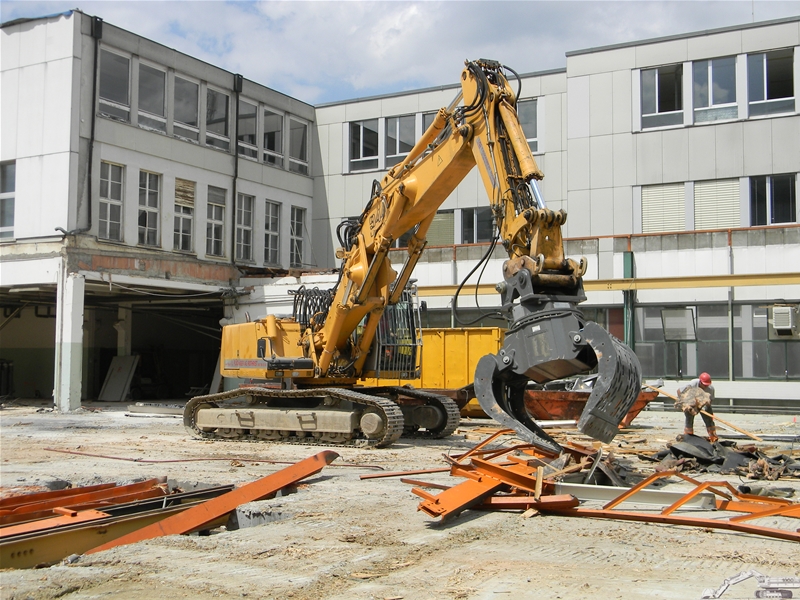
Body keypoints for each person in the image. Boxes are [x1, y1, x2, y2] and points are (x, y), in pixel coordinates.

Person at [677, 372, 717, 443]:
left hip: (703, 404)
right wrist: (683, 401)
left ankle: (713, 436)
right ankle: (688, 436)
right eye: (704, 385)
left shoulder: (710, 389)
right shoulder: (693, 384)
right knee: (689, 416)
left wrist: (703, 406)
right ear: (700, 381)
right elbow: (679, 391)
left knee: (709, 418)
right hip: (691, 402)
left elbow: (710, 401)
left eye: (706, 385)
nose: (705, 387)